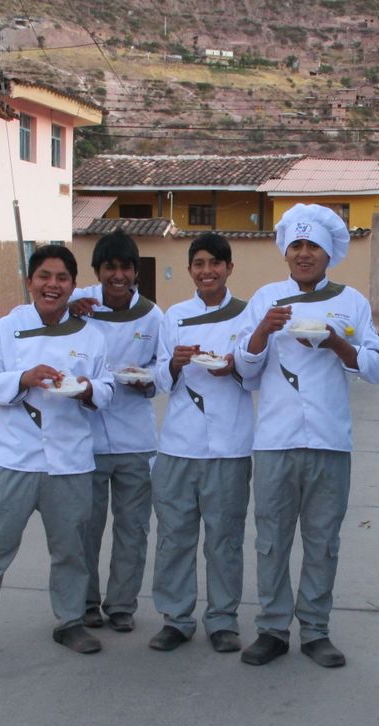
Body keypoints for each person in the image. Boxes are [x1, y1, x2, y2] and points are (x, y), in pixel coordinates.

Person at [0, 245, 114, 666]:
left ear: (73, 285)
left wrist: (87, 388)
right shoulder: (7, 329)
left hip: (70, 464)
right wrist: (24, 378)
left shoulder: (91, 335)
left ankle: (70, 621)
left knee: (71, 549)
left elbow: (107, 390)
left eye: (62, 278)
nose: (52, 285)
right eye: (44, 277)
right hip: (14, 461)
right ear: (31, 282)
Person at [235, 203, 379, 668]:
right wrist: (261, 330)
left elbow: (377, 369)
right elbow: (244, 367)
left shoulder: (352, 302)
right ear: (286, 251)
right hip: (276, 441)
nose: (304, 254)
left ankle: (316, 630)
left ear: (328, 253)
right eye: (297, 245)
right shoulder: (265, 299)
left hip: (329, 442)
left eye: (314, 247)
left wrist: (337, 343)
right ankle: (273, 628)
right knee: (271, 540)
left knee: (322, 540)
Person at [147, 233, 256, 654]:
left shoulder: (248, 315)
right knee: (174, 536)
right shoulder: (173, 316)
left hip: (230, 446)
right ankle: (176, 618)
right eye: (198, 263)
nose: (206, 270)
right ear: (190, 269)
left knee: (225, 538)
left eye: (215, 262)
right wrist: (173, 364)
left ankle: (223, 619)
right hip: (178, 445)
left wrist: (235, 367)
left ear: (229, 267)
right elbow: (158, 380)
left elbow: (257, 373)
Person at [69, 229, 163, 633]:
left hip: (135, 440)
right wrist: (71, 309)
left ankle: (122, 603)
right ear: (97, 271)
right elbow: (46, 327)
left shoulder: (153, 315)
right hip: (86, 438)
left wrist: (149, 380)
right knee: (84, 529)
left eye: (126, 267)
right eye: (110, 267)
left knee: (132, 527)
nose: (118, 275)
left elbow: (163, 368)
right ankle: (86, 602)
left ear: (136, 272)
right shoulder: (80, 306)